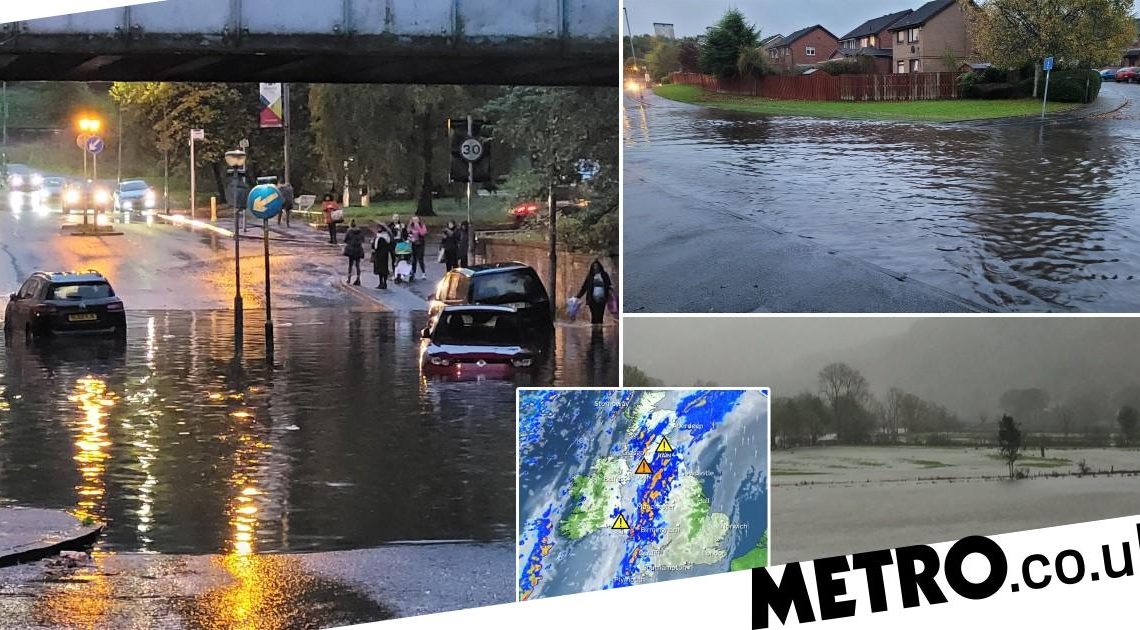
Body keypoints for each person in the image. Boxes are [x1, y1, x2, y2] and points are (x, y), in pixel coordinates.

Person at [576, 260, 613, 325]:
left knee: (600, 315)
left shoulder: (604, 275)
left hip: (602, 299)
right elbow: (584, 287)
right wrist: (578, 296)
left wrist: (612, 295)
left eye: (597, 266)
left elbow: (609, 286)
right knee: (594, 316)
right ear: (592, 268)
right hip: (592, 299)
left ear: (600, 267)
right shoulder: (590, 276)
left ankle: (599, 331)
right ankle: (594, 332)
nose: (596, 268)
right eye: (594, 266)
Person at [371, 223, 393, 289]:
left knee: (382, 269)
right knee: (381, 269)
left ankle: (383, 283)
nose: (378, 229)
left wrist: (373, 242)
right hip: (381, 254)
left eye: (379, 228)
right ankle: (382, 283)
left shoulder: (382, 237)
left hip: (381, 255)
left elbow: (376, 246)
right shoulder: (381, 236)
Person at [343, 219, 365, 285]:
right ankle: (358, 279)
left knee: (350, 264)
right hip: (358, 249)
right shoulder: (360, 231)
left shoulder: (349, 231)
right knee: (357, 265)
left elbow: (345, 240)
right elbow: (363, 240)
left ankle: (349, 279)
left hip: (351, 250)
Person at [408, 215, 428, 281]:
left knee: (420, 259)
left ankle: (423, 273)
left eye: (416, 220)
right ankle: (413, 273)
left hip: (420, 244)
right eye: (414, 220)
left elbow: (423, 233)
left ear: (419, 220)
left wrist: (418, 227)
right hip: (413, 244)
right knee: (414, 260)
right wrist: (410, 239)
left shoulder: (422, 226)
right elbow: (408, 233)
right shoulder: (411, 226)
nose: (415, 221)